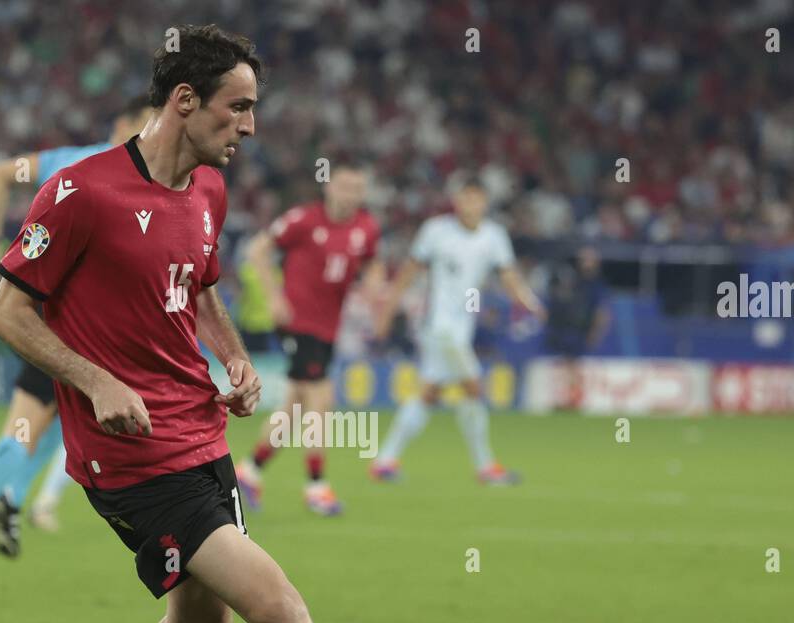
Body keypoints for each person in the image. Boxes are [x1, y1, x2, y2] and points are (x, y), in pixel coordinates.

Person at [0, 24, 461, 623]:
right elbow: (10, 310)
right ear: (184, 102)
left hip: (200, 436)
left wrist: (234, 361)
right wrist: (95, 380)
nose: (250, 126)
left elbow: (199, 286)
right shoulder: (82, 193)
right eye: (237, 108)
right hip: (133, 460)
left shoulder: (208, 189)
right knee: (277, 608)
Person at [0, 99, 152, 596]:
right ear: (122, 123)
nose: (150, 136)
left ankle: (9, 500)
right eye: (145, 126)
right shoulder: (77, 163)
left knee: (61, 420)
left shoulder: (136, 176)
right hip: (53, 324)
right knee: (26, 430)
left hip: (80, 329)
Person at [369, 177, 543, 483]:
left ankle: (384, 461)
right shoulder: (436, 231)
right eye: (465, 198)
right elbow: (408, 273)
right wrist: (387, 312)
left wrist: (528, 301)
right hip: (439, 327)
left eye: (476, 199)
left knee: (429, 394)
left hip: (463, 326)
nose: (470, 204)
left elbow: (508, 276)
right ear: (456, 201)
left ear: (485, 203)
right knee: (474, 387)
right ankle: (486, 467)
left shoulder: (494, 236)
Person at [235, 161, 385, 515]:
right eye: (345, 187)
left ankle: (249, 471)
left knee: (294, 408)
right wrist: (273, 296)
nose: (351, 196)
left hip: (328, 328)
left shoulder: (366, 228)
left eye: (358, 189)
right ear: (329, 187)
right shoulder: (304, 220)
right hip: (298, 324)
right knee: (320, 401)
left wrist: (375, 289)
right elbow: (258, 249)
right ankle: (316, 487)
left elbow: (372, 262)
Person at [545, 246, 610, 409]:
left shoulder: (597, 285)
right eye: (583, 260)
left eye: (588, 260)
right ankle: (569, 397)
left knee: (574, 365)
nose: (585, 263)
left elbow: (602, 312)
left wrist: (595, 333)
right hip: (568, 329)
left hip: (581, 330)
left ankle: (575, 398)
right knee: (568, 364)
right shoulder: (575, 281)